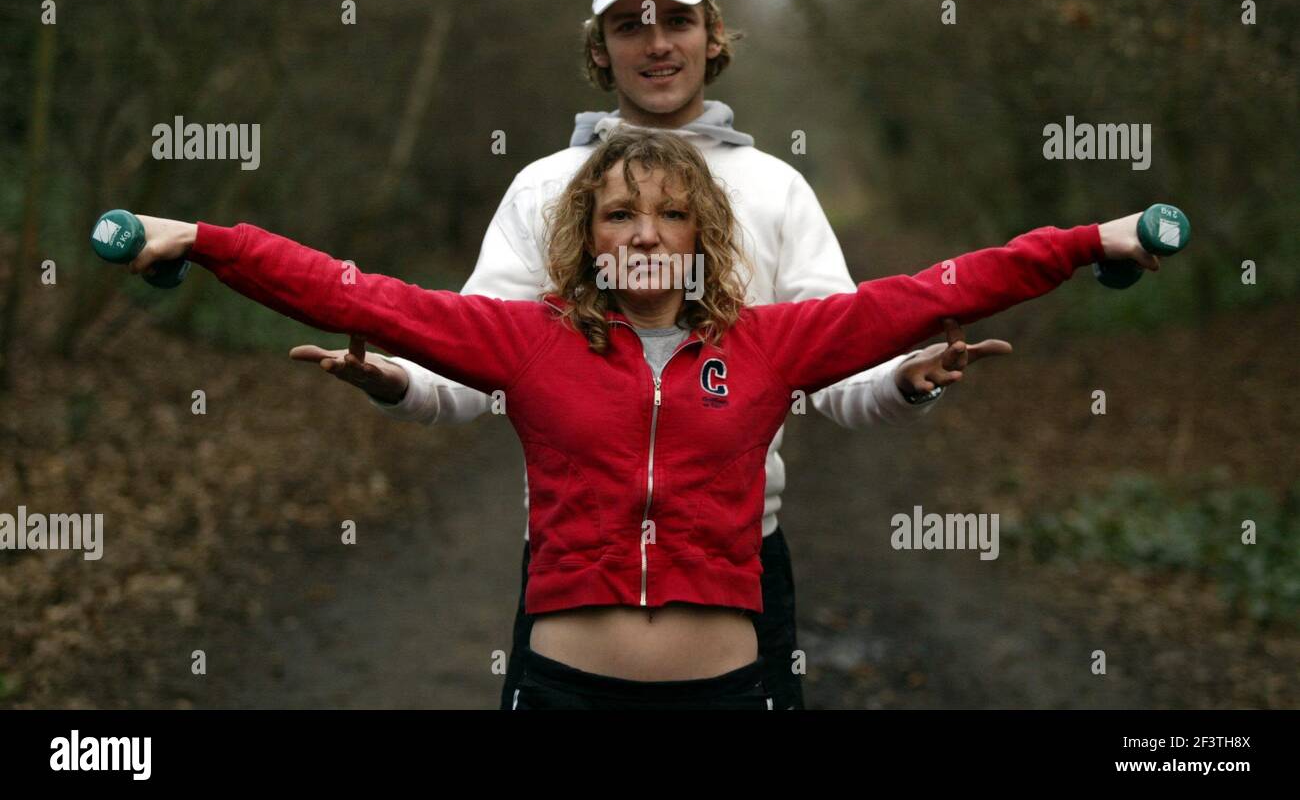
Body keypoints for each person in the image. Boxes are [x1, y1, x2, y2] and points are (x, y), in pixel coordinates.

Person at [115, 128, 1163, 709]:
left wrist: (1082, 243)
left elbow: (939, 287)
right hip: (563, 692)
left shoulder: (769, 343)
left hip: (728, 696)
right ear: (590, 236)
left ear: (703, 231)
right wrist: (202, 236)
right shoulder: (524, 340)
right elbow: (355, 293)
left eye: (669, 211)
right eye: (620, 211)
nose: (646, 228)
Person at [284, 0, 1013, 710]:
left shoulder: (775, 190)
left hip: (740, 566)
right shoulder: (545, 187)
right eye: (630, 23)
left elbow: (834, 373)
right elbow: (474, 361)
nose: (656, 42)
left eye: (677, 19)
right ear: (600, 48)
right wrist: (398, 379)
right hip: (575, 572)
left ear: (713, 35)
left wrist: (905, 379)